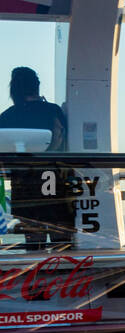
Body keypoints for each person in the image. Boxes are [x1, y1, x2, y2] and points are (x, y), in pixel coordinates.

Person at [0, 67, 75, 251]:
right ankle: (66, 272)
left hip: (25, 188)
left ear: (14, 89)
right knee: (62, 239)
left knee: (34, 241)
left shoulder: (6, 117)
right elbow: (62, 144)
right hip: (56, 184)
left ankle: (39, 276)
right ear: (37, 86)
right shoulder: (53, 111)